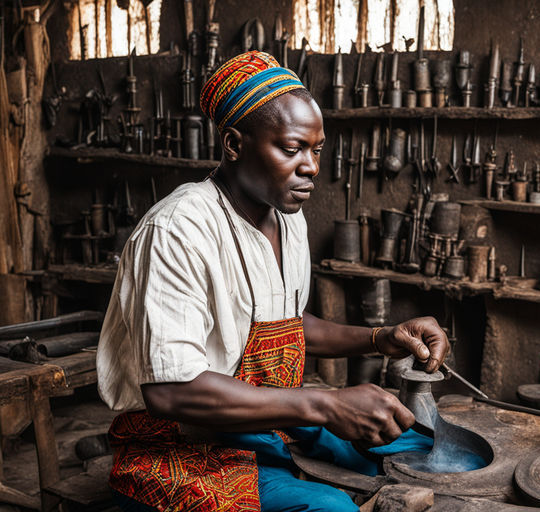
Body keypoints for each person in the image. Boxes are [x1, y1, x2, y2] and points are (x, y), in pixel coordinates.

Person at [96, 51, 449, 512]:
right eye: (291, 148)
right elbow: (170, 392)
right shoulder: (175, 232)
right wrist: (326, 405)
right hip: (180, 443)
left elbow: (285, 324)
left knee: (421, 454)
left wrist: (381, 338)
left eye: (316, 150)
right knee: (332, 508)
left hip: (267, 418)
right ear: (234, 144)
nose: (312, 168)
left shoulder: (287, 219)